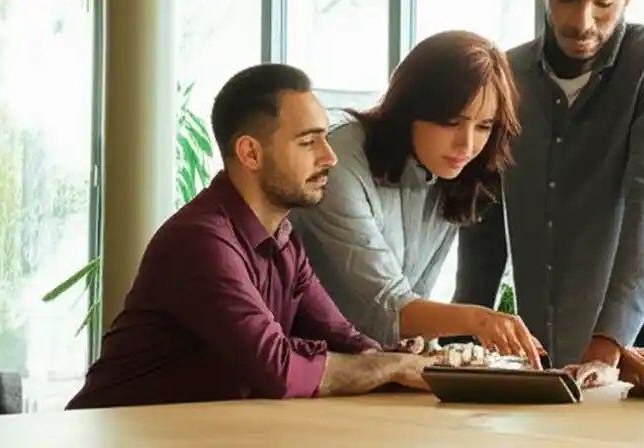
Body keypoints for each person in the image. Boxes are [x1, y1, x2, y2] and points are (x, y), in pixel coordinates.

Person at [67, 64, 433, 410]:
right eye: (309, 142)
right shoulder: (199, 242)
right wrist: (391, 367)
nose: (330, 157)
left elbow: (350, 344)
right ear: (250, 153)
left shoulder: (284, 241)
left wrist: (399, 358)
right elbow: (280, 370)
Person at [454, 0, 644, 380]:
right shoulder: (510, 73)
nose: (583, 22)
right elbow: (483, 218)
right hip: (548, 339)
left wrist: (609, 346)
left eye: (604, 3)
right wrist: (459, 339)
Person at [291, 31, 542, 366]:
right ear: (411, 107)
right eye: (452, 122)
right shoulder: (340, 162)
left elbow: (411, 308)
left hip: (370, 370)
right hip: (301, 368)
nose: (466, 145)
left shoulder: (453, 171)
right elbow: (387, 304)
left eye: (484, 126)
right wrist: (480, 321)